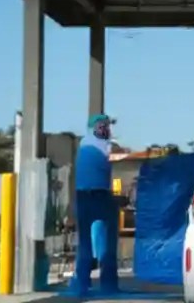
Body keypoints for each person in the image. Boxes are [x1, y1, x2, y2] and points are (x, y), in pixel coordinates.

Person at [72, 113, 119, 295]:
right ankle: (109, 284)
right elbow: (115, 156)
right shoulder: (102, 145)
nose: (106, 129)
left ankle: (82, 283)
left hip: (82, 195)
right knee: (108, 241)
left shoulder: (84, 144)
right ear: (94, 128)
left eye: (107, 125)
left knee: (84, 243)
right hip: (99, 195)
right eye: (103, 125)